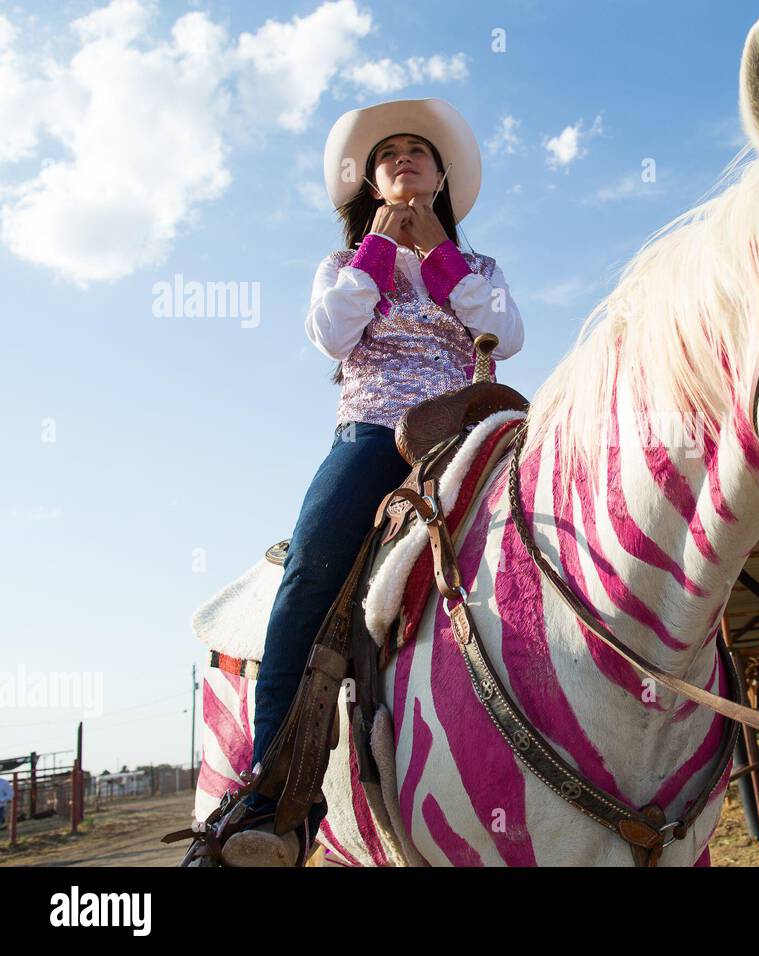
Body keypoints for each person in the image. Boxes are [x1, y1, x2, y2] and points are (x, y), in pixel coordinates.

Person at [221, 98, 524, 866]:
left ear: (440, 174)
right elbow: (330, 333)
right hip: (372, 435)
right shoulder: (344, 267)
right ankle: (276, 800)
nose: (402, 159)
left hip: (470, 429)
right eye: (387, 154)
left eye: (417, 150)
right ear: (372, 181)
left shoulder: (478, 267)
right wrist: (382, 255)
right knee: (308, 576)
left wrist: (441, 257)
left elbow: (508, 335)